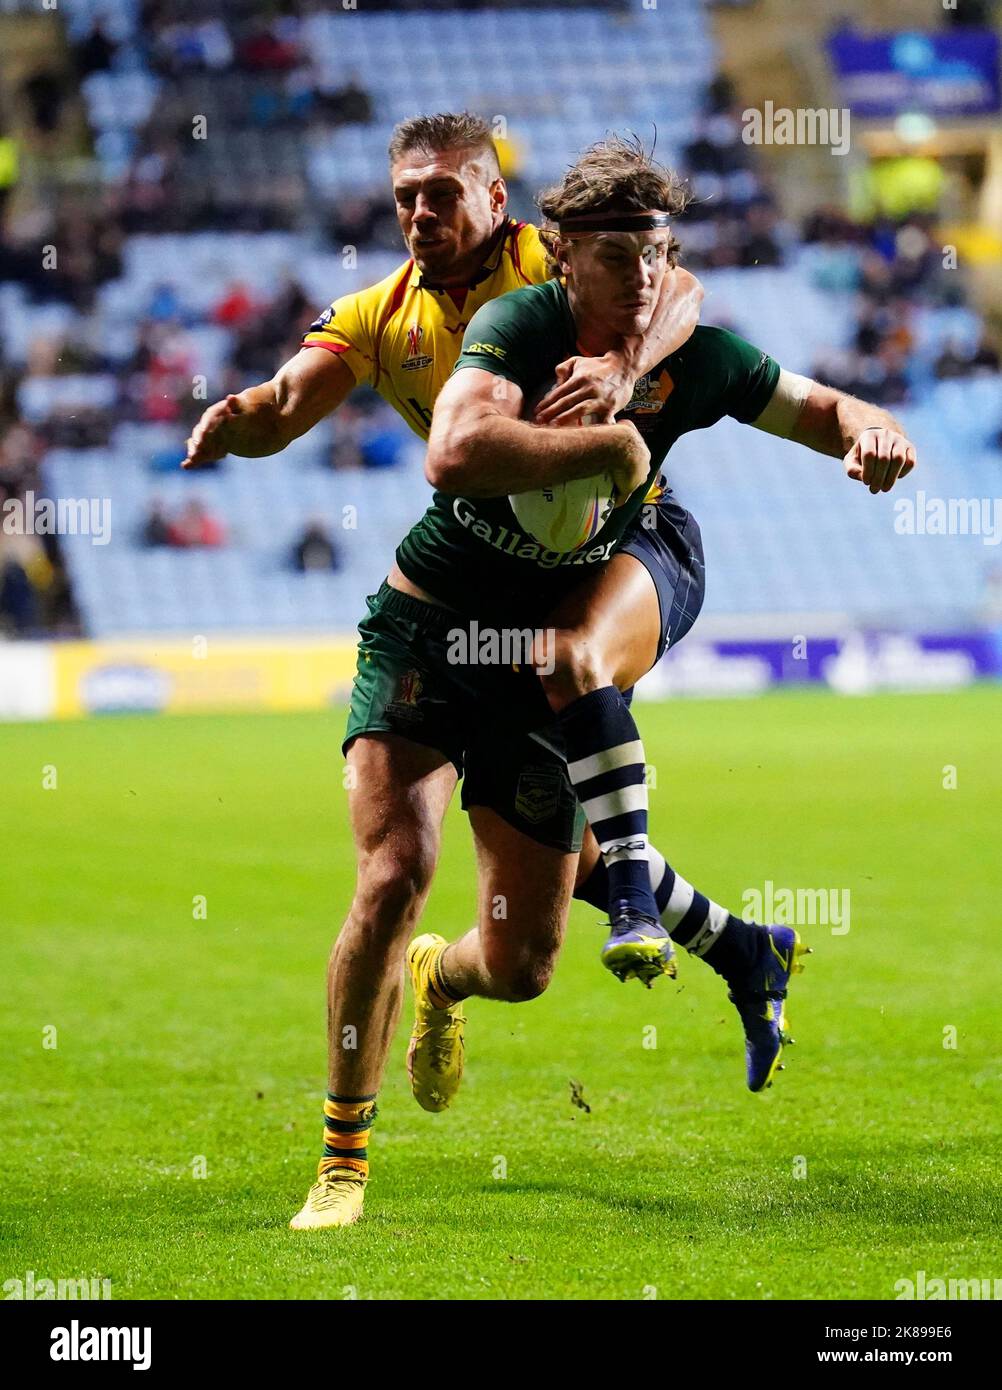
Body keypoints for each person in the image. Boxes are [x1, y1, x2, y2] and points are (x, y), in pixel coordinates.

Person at [287, 136, 917, 1230]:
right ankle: (343, 1160)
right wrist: (610, 454)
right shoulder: (517, 325)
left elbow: (815, 407)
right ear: (564, 259)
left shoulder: (688, 350)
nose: (645, 279)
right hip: (431, 632)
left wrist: (872, 428)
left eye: (658, 254)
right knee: (395, 871)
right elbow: (452, 453)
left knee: (525, 965)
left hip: (541, 646)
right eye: (619, 258)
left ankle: (451, 978)